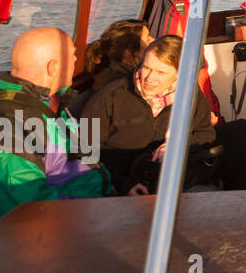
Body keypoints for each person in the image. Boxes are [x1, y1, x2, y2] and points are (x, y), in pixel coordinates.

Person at [0, 27, 112, 218]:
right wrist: (99, 213)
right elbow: (30, 210)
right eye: (73, 55)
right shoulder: (9, 125)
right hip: (70, 226)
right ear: (53, 68)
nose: (77, 60)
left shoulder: (49, 103)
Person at [81, 34, 217, 195]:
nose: (150, 78)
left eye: (161, 72)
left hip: (172, 182)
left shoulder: (191, 95)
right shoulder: (109, 97)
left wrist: (179, 144)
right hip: (120, 186)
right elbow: (84, 151)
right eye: (146, 68)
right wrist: (124, 184)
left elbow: (206, 133)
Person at [64, 19, 153, 119]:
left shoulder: (107, 74)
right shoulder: (124, 85)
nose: (153, 40)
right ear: (128, 52)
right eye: (147, 38)